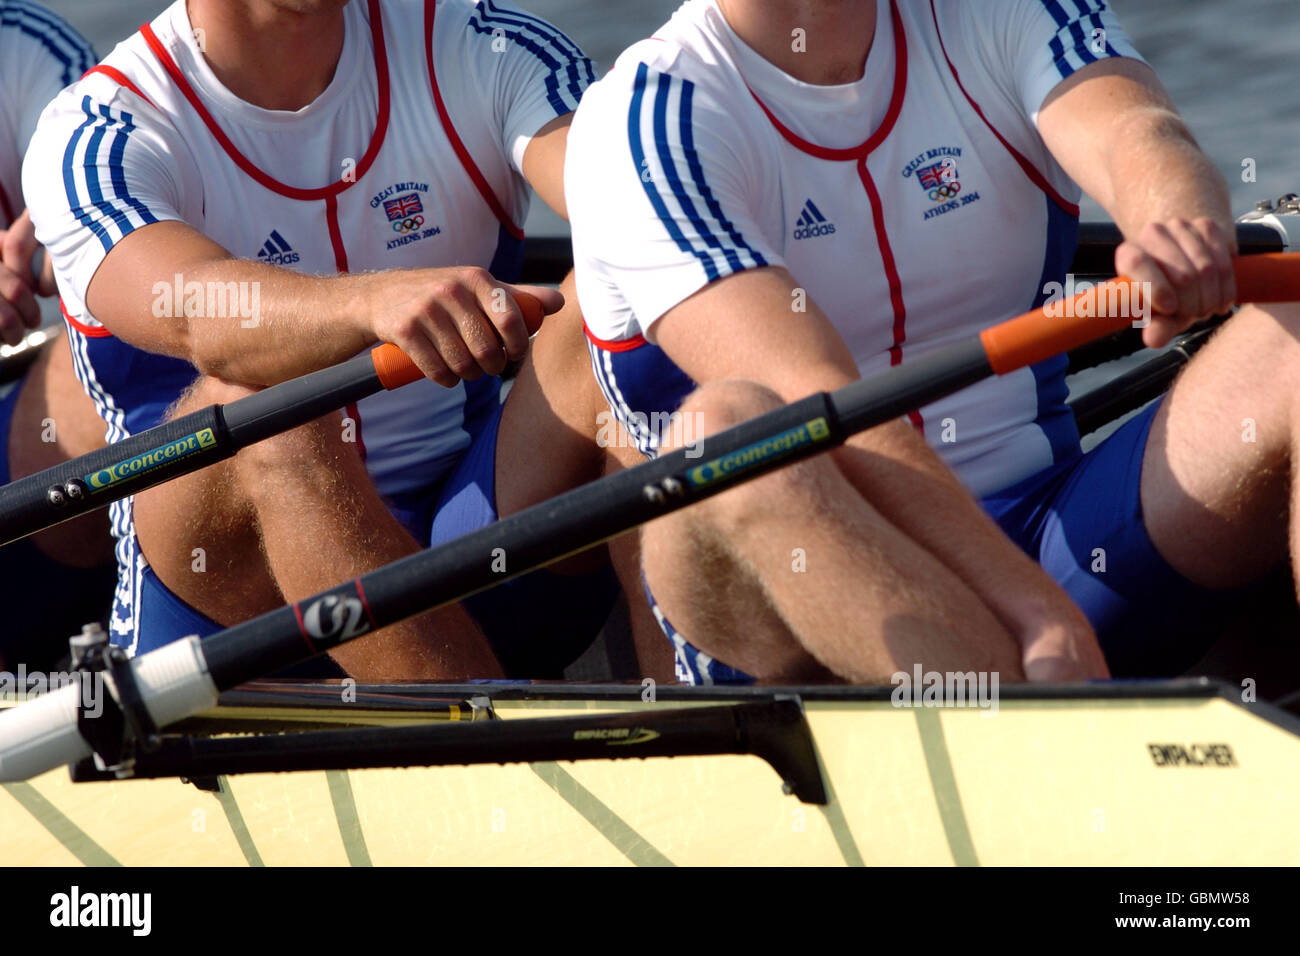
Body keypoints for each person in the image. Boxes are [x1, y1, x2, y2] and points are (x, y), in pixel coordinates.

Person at [566, 0, 1276, 685]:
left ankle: (1055, 700)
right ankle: (1030, 724)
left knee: (1291, 342)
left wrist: (1176, 226)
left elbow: (1135, 132)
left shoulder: (1002, 13)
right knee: (734, 427)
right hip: (807, 601)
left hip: (1055, 533)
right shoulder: (643, 118)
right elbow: (815, 399)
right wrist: (1034, 611)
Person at [24, 0, 616, 679]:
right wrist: (370, 300)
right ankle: (483, 739)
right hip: (238, 622)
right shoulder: (97, 130)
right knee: (263, 409)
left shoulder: (486, 47)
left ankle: (709, 699)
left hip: (477, 540)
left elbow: (646, 208)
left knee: (630, 278)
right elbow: (195, 309)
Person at [0, 2, 115, 672]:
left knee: (129, 347)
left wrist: (68, 244)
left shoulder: (24, 48)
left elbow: (116, 181)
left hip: (28, 442)